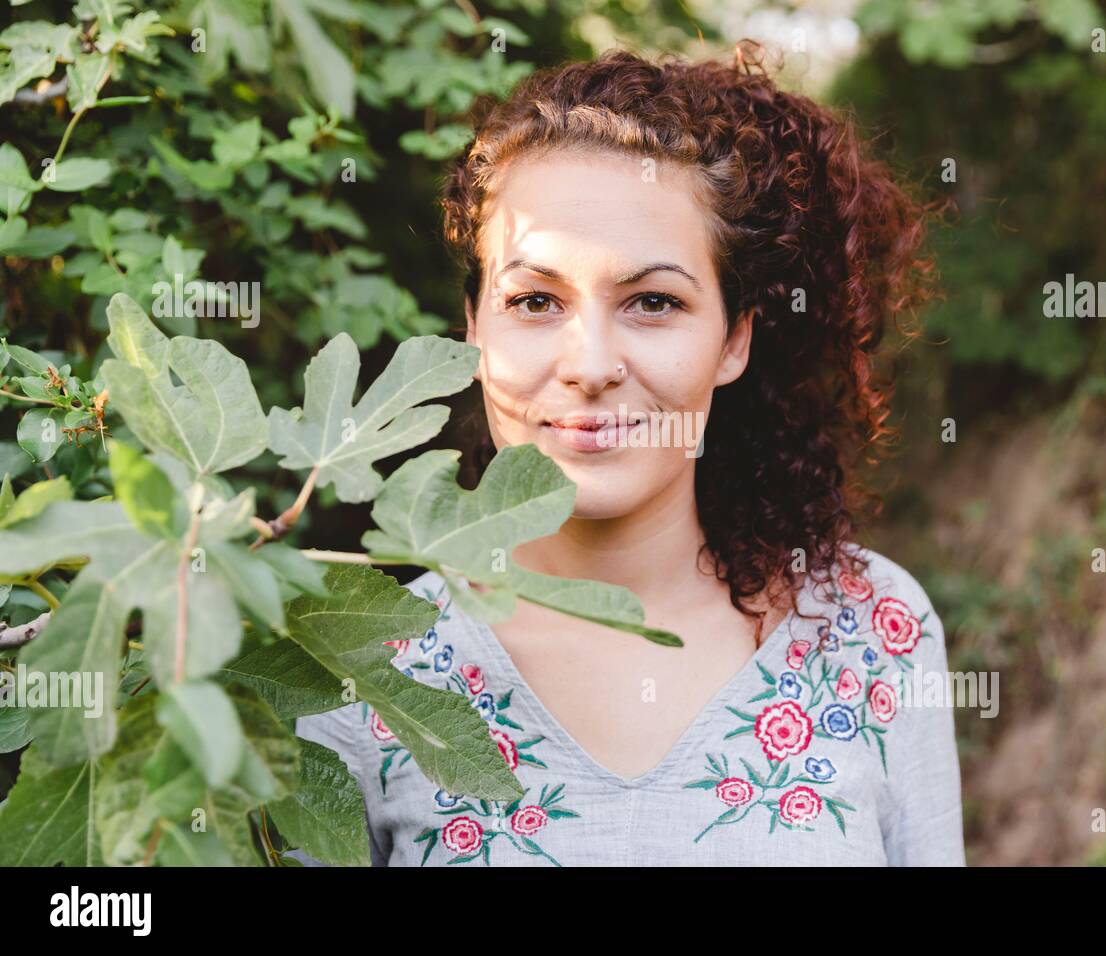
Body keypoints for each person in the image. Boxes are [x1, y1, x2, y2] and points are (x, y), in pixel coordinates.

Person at [292, 40, 963, 867]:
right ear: (473, 329)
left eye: (653, 302)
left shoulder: (873, 632)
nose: (590, 365)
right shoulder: (357, 672)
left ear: (733, 339)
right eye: (535, 300)